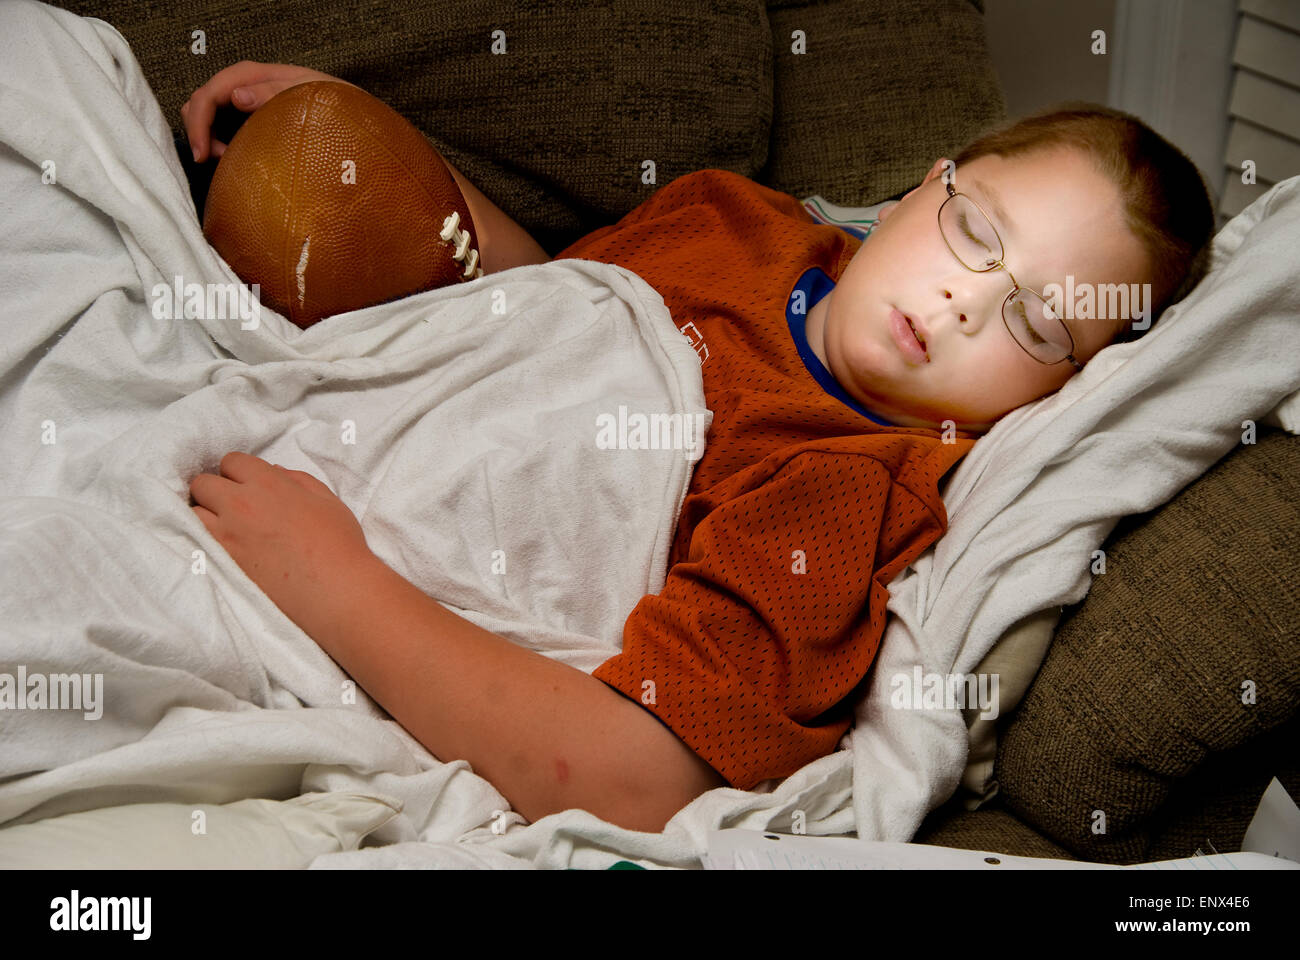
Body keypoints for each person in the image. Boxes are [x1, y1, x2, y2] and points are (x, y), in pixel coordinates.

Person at [184, 62, 1215, 833]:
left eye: (1036, 327)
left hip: (333, 574)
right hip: (310, 418)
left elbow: (639, 775)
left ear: (1057, 394)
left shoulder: (843, 488)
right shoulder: (729, 217)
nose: (963, 303)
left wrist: (334, 581)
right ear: (919, 189)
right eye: (976, 234)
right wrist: (367, 151)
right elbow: (558, 299)